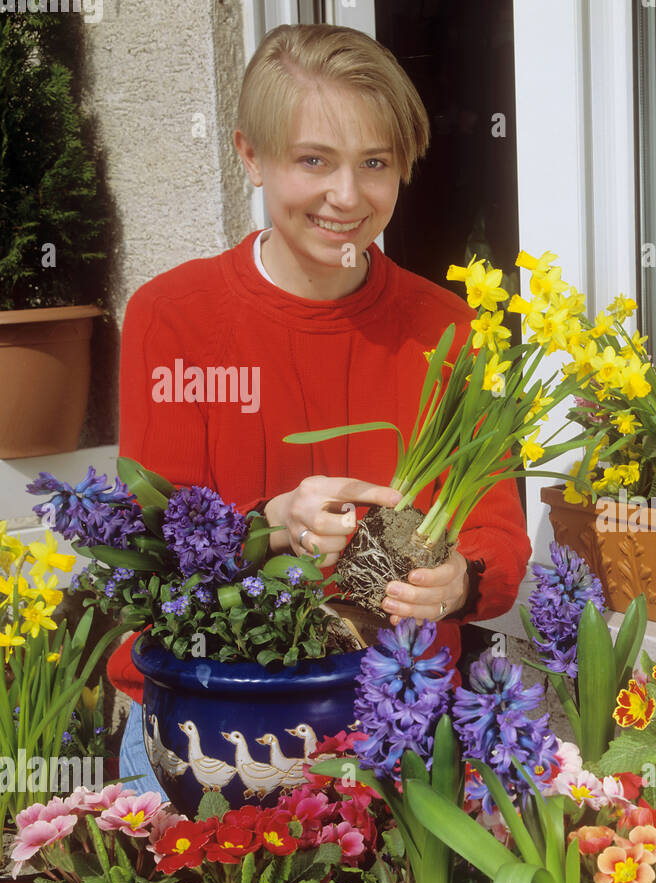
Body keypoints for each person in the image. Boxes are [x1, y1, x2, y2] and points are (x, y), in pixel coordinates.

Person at [109, 24, 530, 792]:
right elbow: (148, 554)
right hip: (211, 720)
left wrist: (461, 581)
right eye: (313, 161)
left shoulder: (445, 327)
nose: (347, 196)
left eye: (374, 163)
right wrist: (273, 524)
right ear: (250, 156)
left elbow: (494, 529)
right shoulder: (174, 316)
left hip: (393, 718)